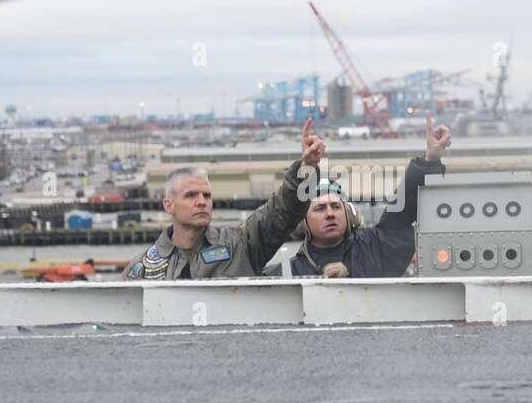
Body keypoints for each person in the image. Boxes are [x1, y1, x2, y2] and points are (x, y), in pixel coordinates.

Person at [124, 117, 324, 280]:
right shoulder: (142, 269)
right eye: (191, 195)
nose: (202, 201)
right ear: (169, 206)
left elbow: (283, 212)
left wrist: (306, 169)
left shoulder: (240, 245)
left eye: (207, 195)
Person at [266, 113, 451, 278]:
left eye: (336, 206)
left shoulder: (376, 248)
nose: (330, 214)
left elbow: (402, 212)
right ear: (302, 222)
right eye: (320, 208)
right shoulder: (284, 276)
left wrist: (430, 160)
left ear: (350, 213)